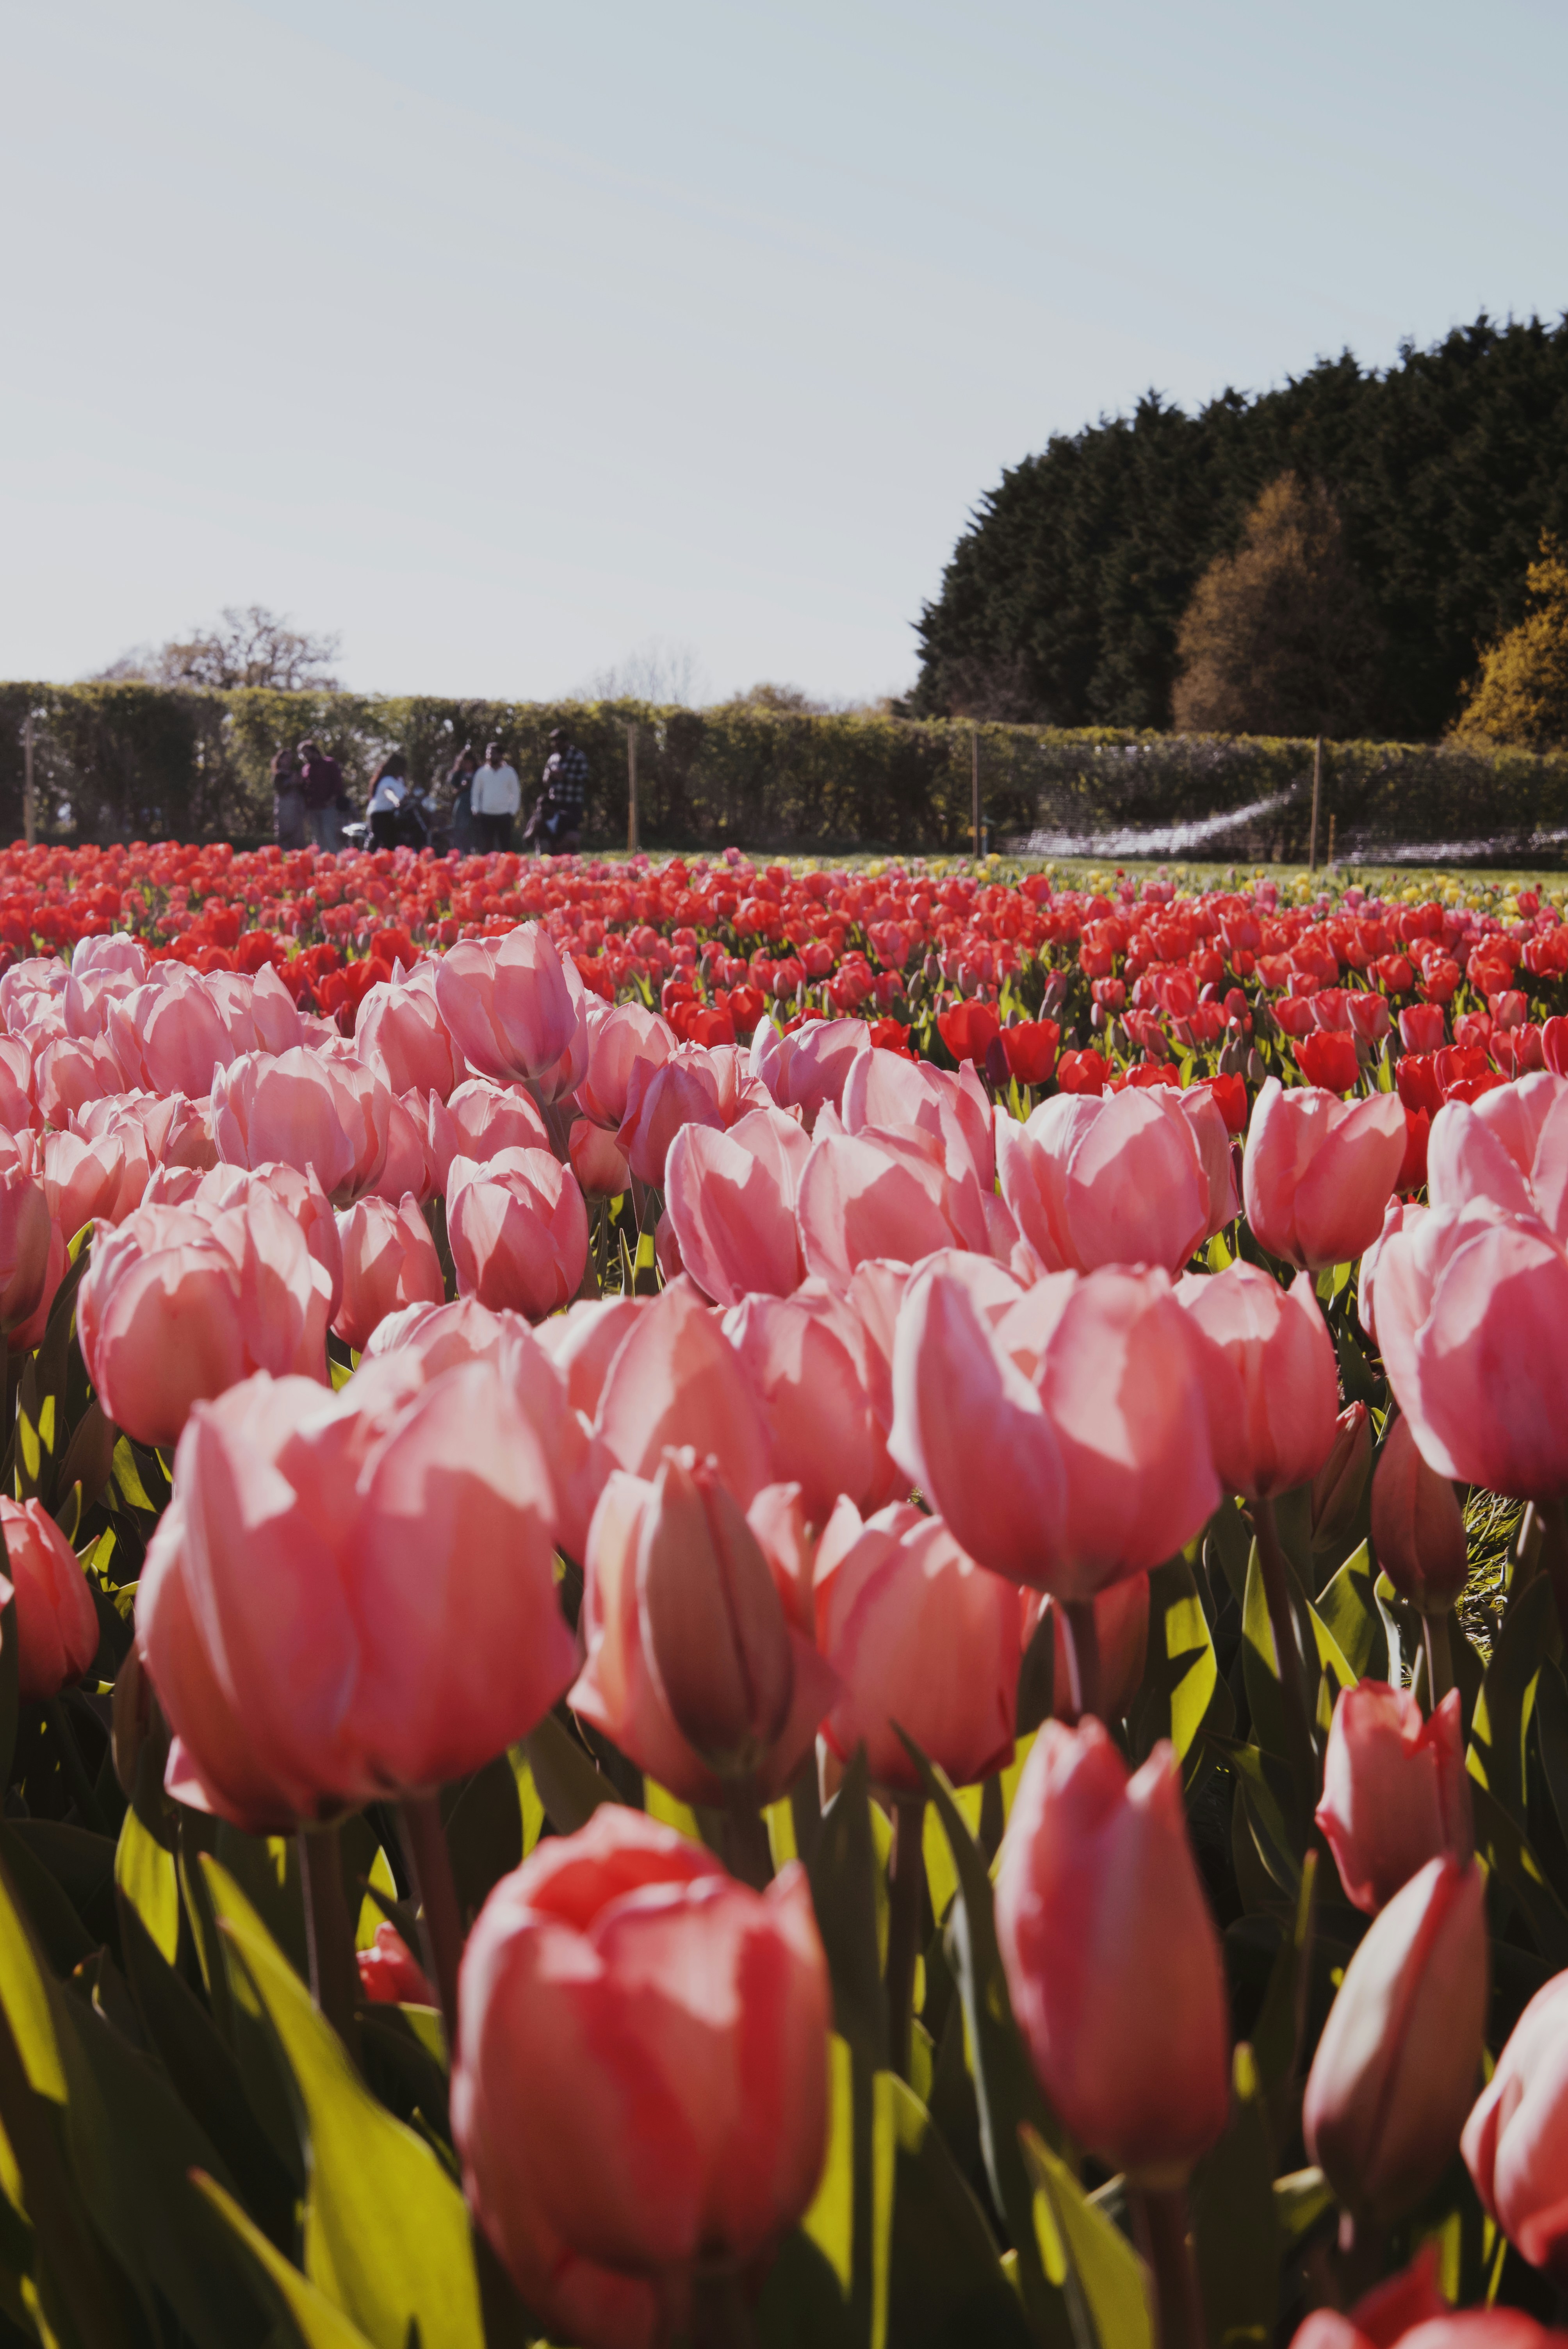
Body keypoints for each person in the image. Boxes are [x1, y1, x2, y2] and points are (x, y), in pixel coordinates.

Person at [526, 726, 588, 854]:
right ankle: (550, 856)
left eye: (559, 742)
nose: (556, 745)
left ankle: (571, 858)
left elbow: (585, 779)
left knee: (570, 834)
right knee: (552, 833)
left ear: (567, 742)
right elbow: (545, 781)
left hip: (572, 803)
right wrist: (550, 777)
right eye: (554, 742)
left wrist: (565, 777)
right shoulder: (553, 759)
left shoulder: (578, 756)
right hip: (555, 804)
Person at [470, 740, 521, 853]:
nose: (490, 756)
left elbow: (516, 793)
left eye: (493, 753)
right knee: (486, 849)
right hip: (486, 815)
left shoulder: (510, 772)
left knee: (506, 848)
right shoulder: (481, 772)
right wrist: (476, 808)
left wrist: (512, 811)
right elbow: (475, 792)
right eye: (488, 753)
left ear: (500, 755)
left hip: (504, 815)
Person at [298, 738, 347, 852]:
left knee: (329, 834)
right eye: (303, 755)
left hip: (328, 806)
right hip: (313, 808)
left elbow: (338, 783)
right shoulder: (306, 769)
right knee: (317, 837)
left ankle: (334, 859)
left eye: (307, 754)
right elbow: (304, 789)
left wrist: (333, 799)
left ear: (314, 751)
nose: (306, 757)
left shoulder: (329, 763)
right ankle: (320, 862)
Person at [366, 752, 409, 851]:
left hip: (392, 814)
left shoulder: (399, 781)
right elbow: (389, 792)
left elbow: (405, 795)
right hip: (380, 815)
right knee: (388, 844)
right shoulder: (387, 780)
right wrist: (396, 801)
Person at [271, 747, 306, 850]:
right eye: (286, 758)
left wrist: (300, 783)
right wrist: (291, 782)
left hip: (297, 810)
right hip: (284, 810)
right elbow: (281, 791)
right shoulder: (278, 776)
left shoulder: (294, 773)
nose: (289, 761)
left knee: (298, 837)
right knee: (285, 834)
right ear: (281, 760)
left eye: (290, 759)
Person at [447, 743, 479, 853]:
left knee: (475, 829)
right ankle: (460, 851)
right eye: (465, 763)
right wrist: (463, 787)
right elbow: (454, 792)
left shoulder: (479, 773)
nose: (467, 765)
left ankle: (475, 850)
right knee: (460, 828)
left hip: (476, 803)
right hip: (463, 804)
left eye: (469, 763)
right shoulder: (458, 775)